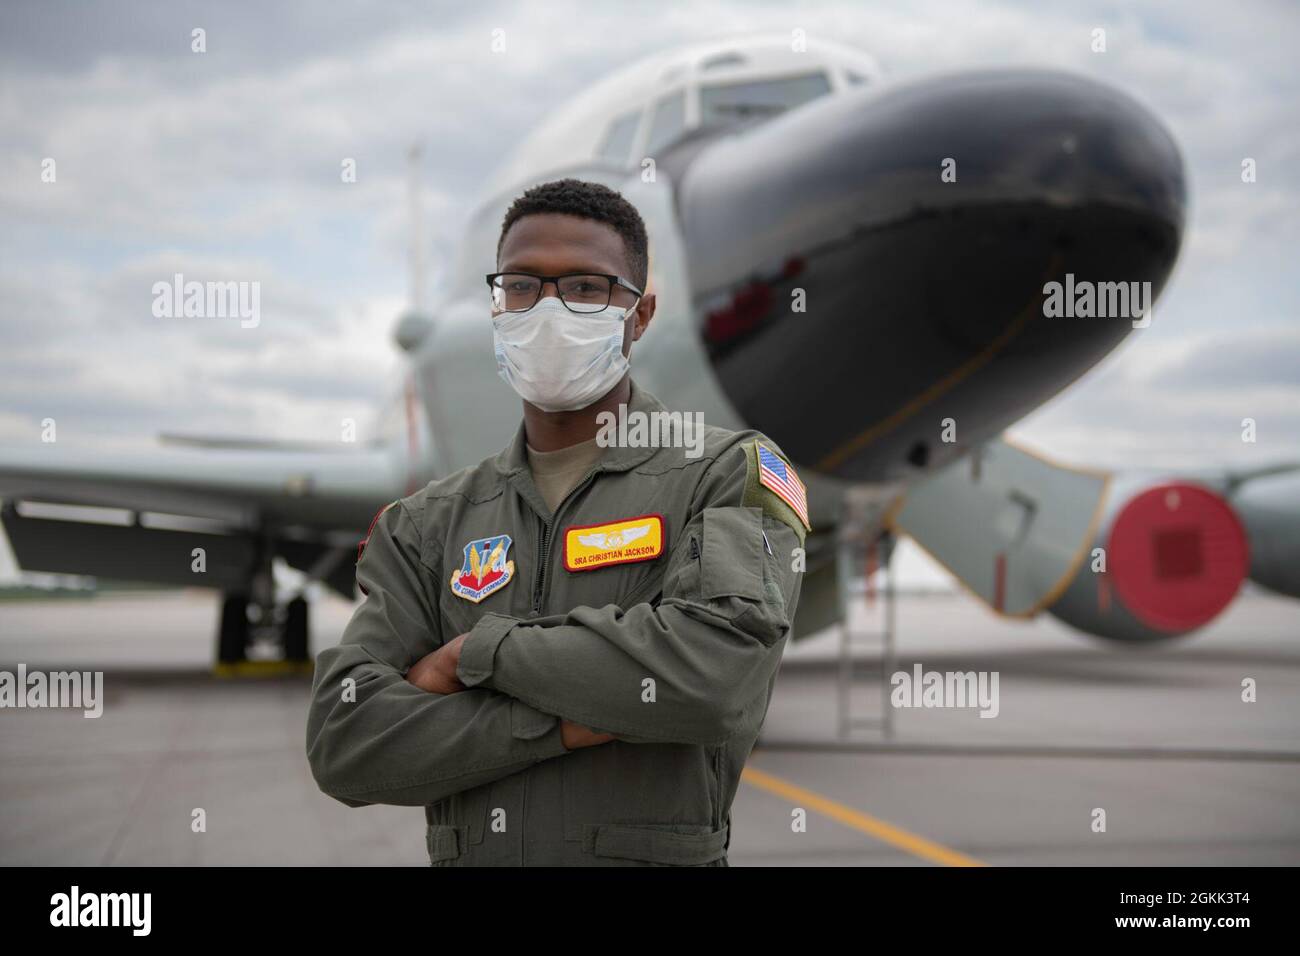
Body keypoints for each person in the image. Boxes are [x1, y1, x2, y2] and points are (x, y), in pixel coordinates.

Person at [306, 177, 809, 866]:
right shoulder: (425, 525)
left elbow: (713, 681)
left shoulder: (724, 475)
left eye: (586, 288)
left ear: (641, 314)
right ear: (496, 306)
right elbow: (346, 740)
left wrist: (474, 655)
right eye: (522, 286)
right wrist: (567, 724)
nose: (548, 310)